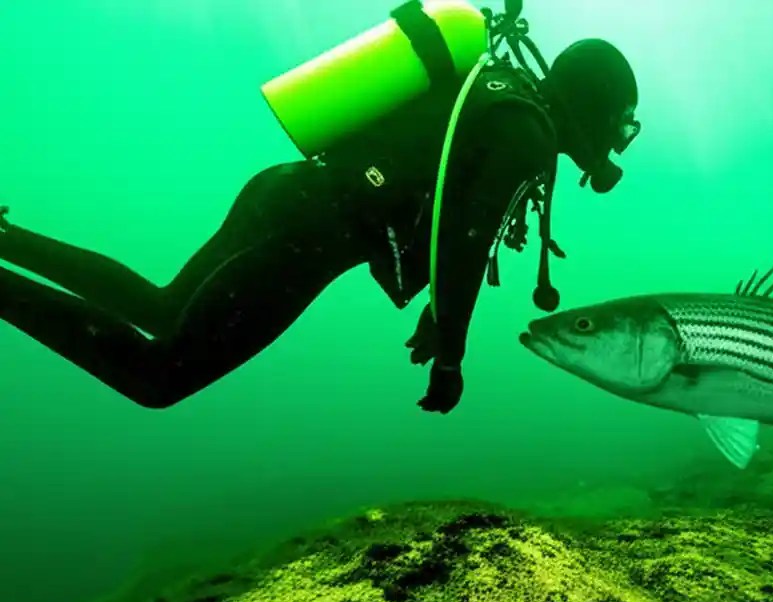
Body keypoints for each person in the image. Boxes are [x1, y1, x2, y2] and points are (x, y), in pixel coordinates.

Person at [0, 1, 640, 415]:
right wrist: (451, 356)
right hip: (310, 233)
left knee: (161, 308)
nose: (616, 139)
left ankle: (7, 239)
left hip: (288, 190)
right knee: (158, 377)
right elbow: (465, 238)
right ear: (594, 105)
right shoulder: (528, 132)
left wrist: (440, 311)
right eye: (620, 122)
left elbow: (449, 214)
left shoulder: (501, 97)